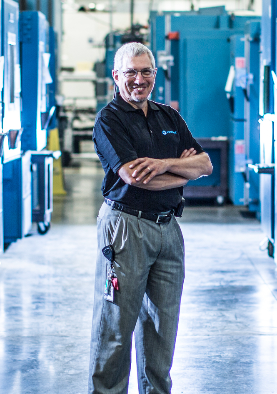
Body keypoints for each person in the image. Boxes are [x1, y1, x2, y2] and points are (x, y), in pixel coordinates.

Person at [88, 42, 212, 394]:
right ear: (116, 76)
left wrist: (162, 164)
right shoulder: (110, 119)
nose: (139, 80)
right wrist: (183, 172)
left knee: (162, 326)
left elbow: (205, 164)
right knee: (116, 325)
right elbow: (133, 176)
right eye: (131, 72)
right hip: (125, 228)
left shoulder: (168, 117)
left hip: (168, 229)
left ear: (155, 75)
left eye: (146, 72)